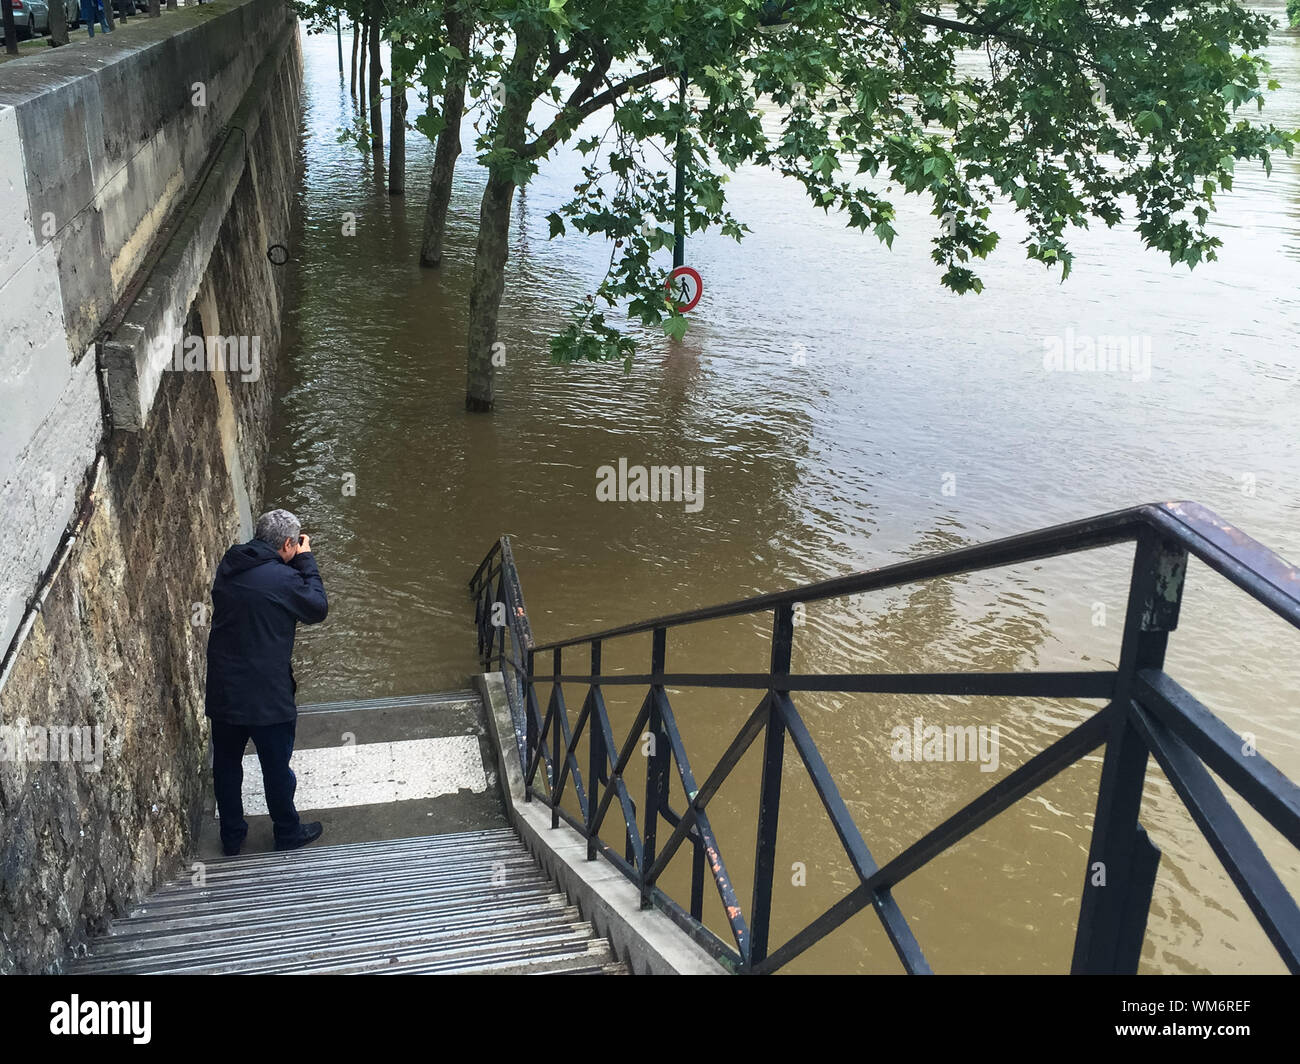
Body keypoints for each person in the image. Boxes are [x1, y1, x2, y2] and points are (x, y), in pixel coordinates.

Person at [205, 509, 328, 856]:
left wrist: (290, 562)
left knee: (226, 764)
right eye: (296, 543)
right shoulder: (284, 580)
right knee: (276, 767)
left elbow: (262, 589)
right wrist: (306, 561)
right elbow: (317, 607)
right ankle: (287, 832)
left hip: (225, 688)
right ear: (288, 543)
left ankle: (231, 836)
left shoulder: (230, 566)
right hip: (266, 695)